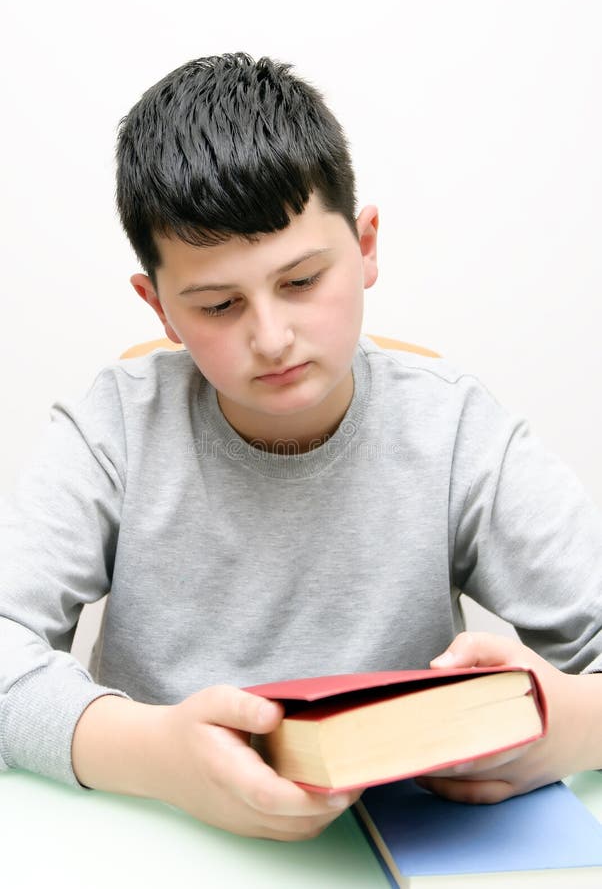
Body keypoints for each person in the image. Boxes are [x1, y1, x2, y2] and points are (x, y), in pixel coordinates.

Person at [0, 52, 601, 843]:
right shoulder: (114, 427)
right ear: (160, 310)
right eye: (218, 304)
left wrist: (574, 723)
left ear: (367, 244)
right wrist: (158, 757)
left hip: (399, 847)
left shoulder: (455, 430)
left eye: (301, 281)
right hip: (155, 837)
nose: (272, 338)